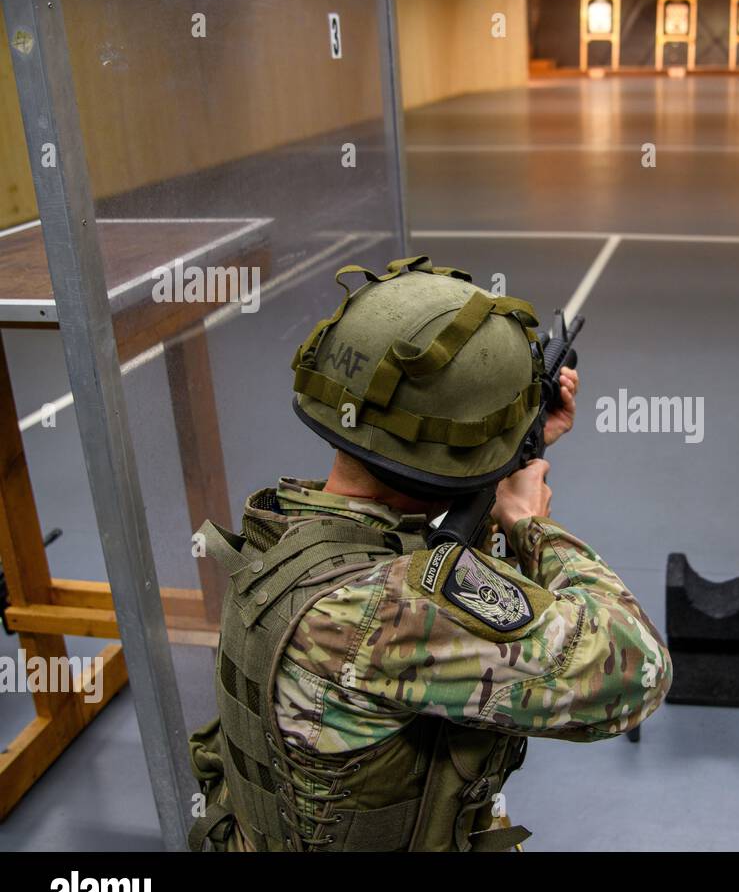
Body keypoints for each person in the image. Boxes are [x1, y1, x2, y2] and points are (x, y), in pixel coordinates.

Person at [187, 256, 671, 852]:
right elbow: (636, 670)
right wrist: (527, 523)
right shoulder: (384, 612)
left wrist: (510, 452)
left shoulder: (282, 532)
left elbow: (423, 532)